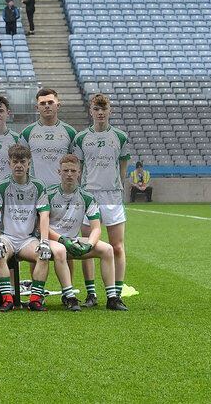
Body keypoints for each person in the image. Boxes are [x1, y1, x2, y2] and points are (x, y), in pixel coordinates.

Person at [46, 155, 128, 311]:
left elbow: (96, 228)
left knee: (108, 249)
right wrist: (62, 240)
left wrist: (89, 245)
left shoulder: (87, 197)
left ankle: (112, 298)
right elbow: (41, 226)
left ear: (79, 173)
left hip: (73, 239)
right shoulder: (48, 195)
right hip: (53, 241)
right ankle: (70, 297)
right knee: (61, 250)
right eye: (66, 171)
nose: (69, 174)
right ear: (59, 172)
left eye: (73, 171)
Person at [72, 93, 131, 308]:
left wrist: (118, 186)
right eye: (96, 109)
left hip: (112, 196)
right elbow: (78, 168)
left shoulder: (120, 137)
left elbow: (123, 166)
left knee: (117, 247)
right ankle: (91, 294)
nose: (100, 113)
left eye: (103, 109)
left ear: (110, 111)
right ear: (91, 111)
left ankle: (115, 296)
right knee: (88, 247)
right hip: (89, 196)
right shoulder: (81, 138)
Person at [0, 144, 55, 312]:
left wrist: (44, 241)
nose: (19, 165)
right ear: (9, 163)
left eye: (22, 162)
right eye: (15, 161)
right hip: (7, 237)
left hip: (28, 240)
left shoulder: (38, 185)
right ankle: (7, 300)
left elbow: (44, 215)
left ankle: (35, 300)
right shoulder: (2, 185)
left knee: (43, 255)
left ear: (28, 164)